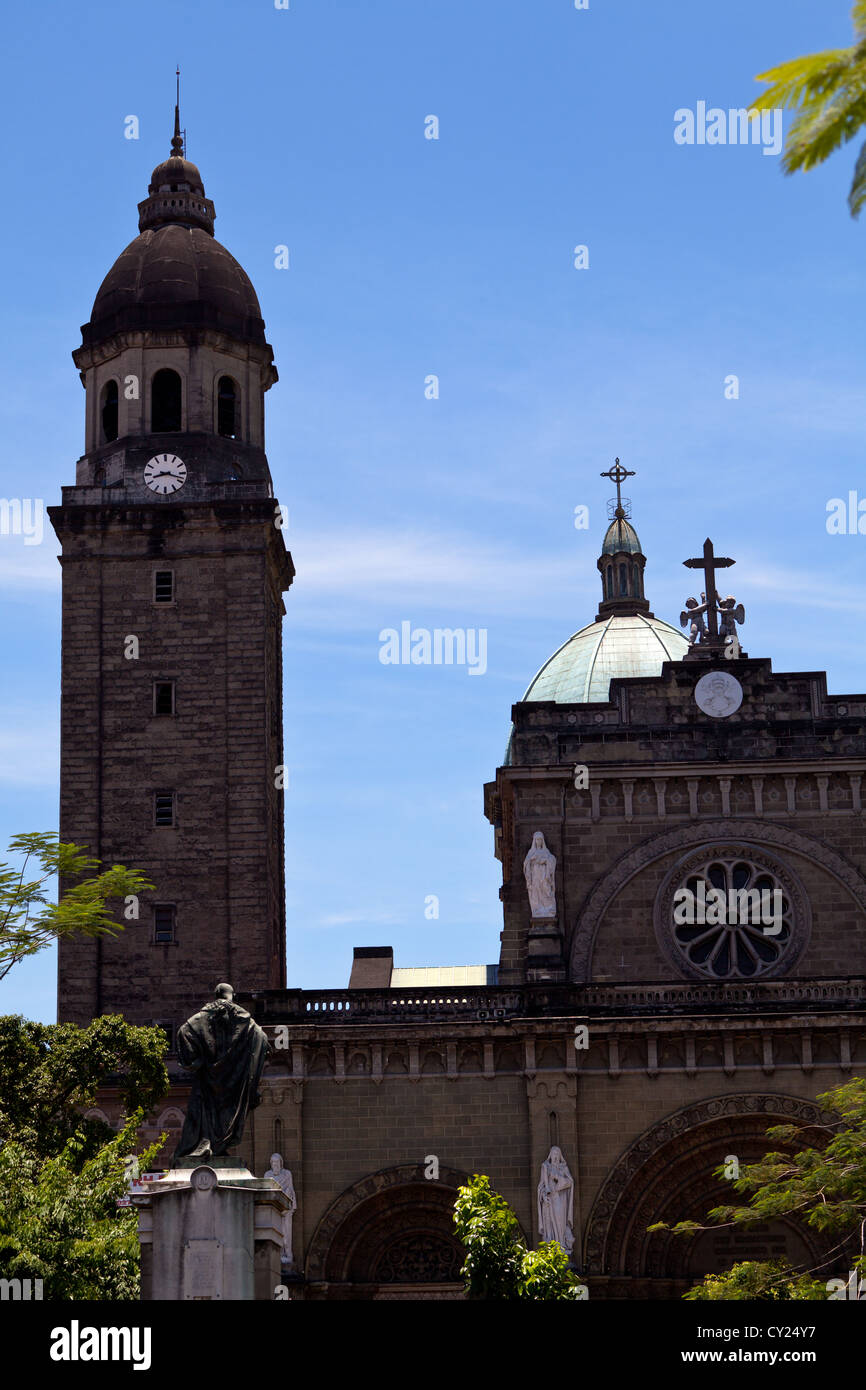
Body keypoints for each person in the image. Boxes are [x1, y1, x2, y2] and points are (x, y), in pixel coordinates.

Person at [174, 983, 270, 1160]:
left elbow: (183, 1032)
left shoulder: (204, 1015)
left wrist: (197, 1060)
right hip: (231, 1083)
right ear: (230, 995)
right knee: (224, 1115)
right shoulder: (242, 1017)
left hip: (206, 1081)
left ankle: (206, 1145)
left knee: (201, 1114)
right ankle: (215, 1146)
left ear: (217, 994)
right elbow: (262, 1037)